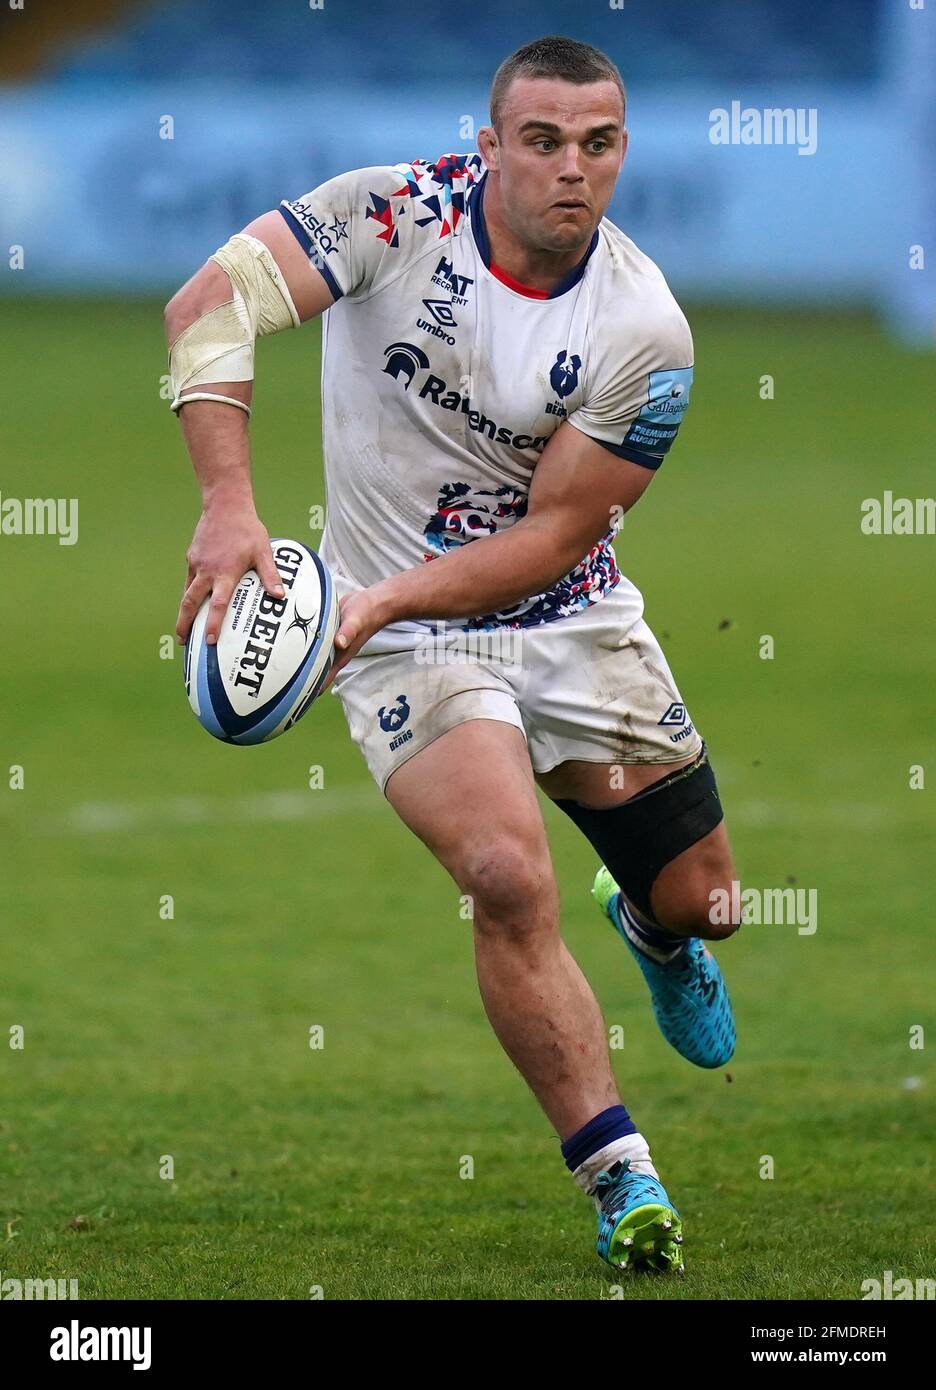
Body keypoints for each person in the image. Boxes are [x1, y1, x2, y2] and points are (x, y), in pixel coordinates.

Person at [167, 34, 741, 1274]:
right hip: (405, 639)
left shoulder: (648, 326)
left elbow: (554, 538)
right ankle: (621, 1173)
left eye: (596, 144)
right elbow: (209, 307)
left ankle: (652, 924)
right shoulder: (389, 214)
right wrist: (231, 508)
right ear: (491, 147)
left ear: (623, 152)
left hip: (570, 617)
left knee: (711, 902)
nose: (569, 169)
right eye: (540, 141)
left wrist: (367, 608)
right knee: (505, 871)